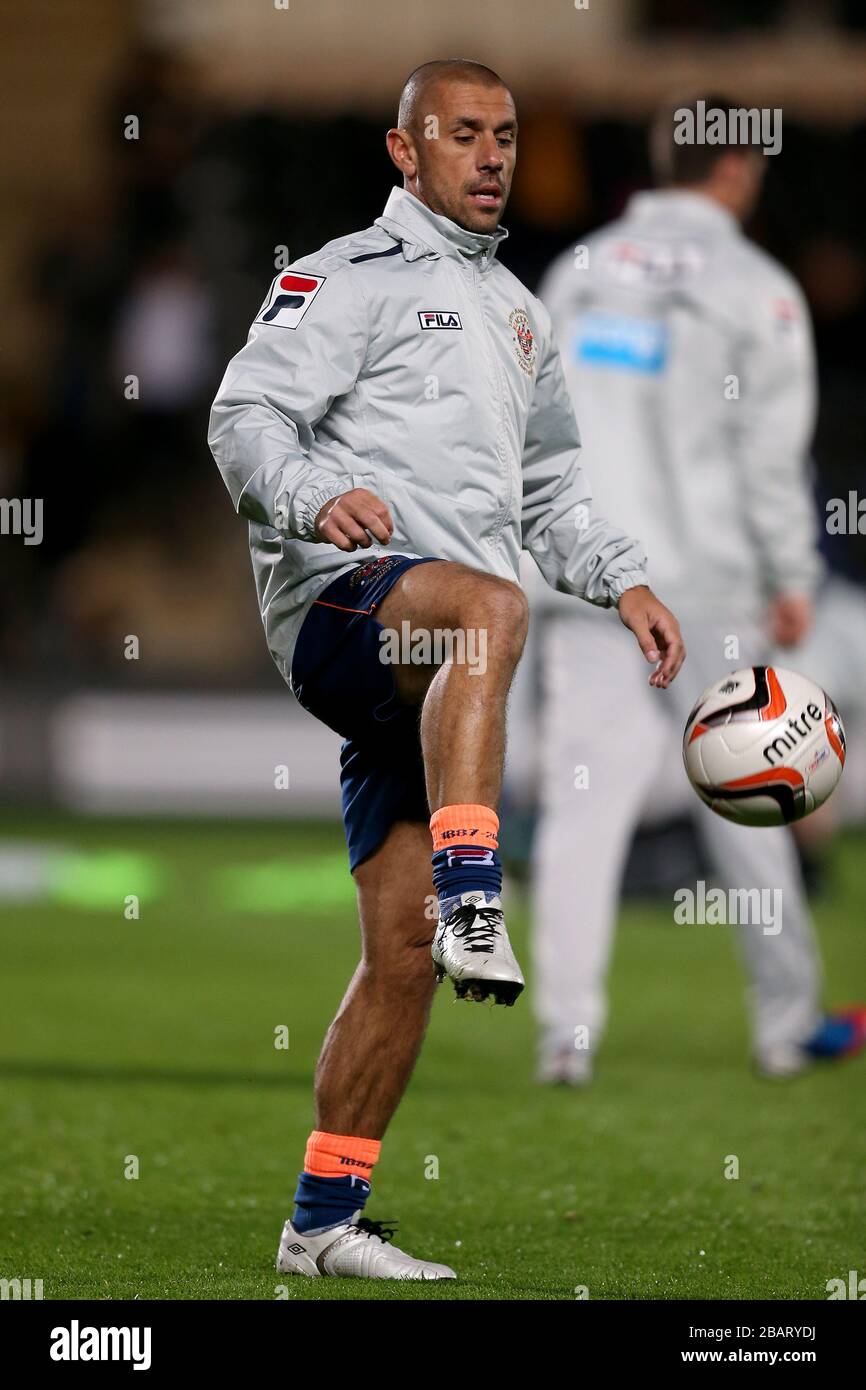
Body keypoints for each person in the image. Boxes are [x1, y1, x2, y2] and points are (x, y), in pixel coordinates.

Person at [208, 59, 684, 1281]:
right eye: (461, 134)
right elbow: (244, 415)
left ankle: (319, 1222)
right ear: (402, 151)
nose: (491, 155)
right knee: (488, 601)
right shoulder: (343, 276)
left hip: (441, 680)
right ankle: (482, 894)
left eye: (506, 134)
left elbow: (551, 490)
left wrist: (624, 577)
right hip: (342, 604)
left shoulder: (520, 314)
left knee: (398, 957)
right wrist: (317, 490)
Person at [531, 94, 865, 1087]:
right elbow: (768, 459)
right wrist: (790, 577)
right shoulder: (755, 287)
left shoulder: (576, 274)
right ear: (737, 171)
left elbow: (531, 428)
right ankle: (782, 1021)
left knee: (580, 807)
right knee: (750, 795)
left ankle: (565, 1034)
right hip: (703, 585)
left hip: (584, 578)